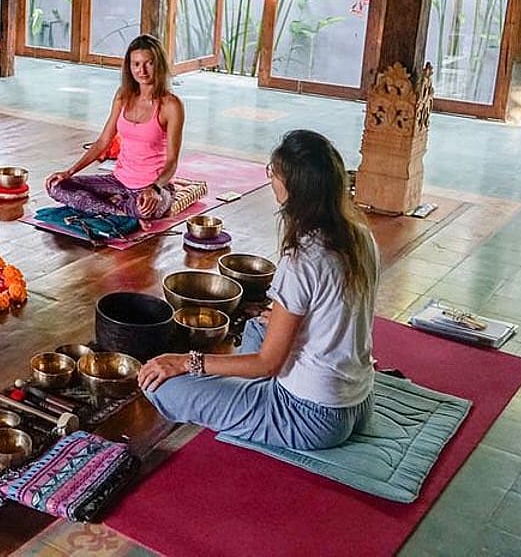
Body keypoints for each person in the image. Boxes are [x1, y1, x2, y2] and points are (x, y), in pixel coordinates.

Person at [138, 130, 379, 450]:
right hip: (358, 402)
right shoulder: (361, 236)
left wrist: (185, 362)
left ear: (294, 188)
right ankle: (238, 392)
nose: (271, 179)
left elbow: (268, 364)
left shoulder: (304, 258)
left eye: (273, 172)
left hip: (310, 416)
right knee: (255, 327)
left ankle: (236, 396)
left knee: (161, 385)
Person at [45, 34, 184, 219]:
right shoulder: (123, 96)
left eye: (148, 63)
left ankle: (116, 207)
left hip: (154, 188)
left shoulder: (171, 105)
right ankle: (119, 210)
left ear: (158, 64)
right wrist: (69, 172)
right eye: (136, 64)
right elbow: (103, 141)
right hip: (118, 181)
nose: (142, 70)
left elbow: (173, 161)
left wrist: (155, 188)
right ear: (129, 67)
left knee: (145, 210)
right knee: (57, 186)